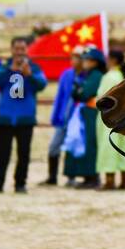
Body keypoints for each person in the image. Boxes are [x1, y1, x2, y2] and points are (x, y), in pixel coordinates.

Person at [0, 36, 48, 193]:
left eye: (23, 49)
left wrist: (29, 75)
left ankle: (20, 184)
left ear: (27, 50)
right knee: (2, 154)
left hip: (25, 118)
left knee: (24, 154)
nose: (20, 52)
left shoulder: (34, 68)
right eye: (17, 49)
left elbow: (42, 85)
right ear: (12, 49)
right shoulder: (4, 66)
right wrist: (10, 70)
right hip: (6, 118)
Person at [63, 47, 105, 189]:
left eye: (89, 59)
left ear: (96, 62)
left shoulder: (96, 75)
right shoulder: (88, 75)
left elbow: (85, 93)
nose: (85, 61)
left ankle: (92, 177)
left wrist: (79, 91)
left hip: (91, 112)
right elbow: (76, 93)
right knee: (83, 142)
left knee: (90, 143)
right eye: (85, 58)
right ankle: (87, 176)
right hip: (84, 111)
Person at [43, 49, 82, 186]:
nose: (74, 61)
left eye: (77, 58)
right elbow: (60, 96)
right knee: (54, 146)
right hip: (63, 118)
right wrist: (55, 115)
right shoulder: (66, 75)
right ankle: (52, 176)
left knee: (72, 147)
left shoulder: (86, 76)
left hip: (77, 119)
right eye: (73, 58)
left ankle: (71, 177)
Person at [95, 49, 125, 190]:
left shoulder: (110, 77)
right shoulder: (123, 76)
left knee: (108, 148)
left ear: (113, 60)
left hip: (109, 117)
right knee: (122, 148)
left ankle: (109, 180)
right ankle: (124, 180)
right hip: (123, 117)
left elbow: (102, 97)